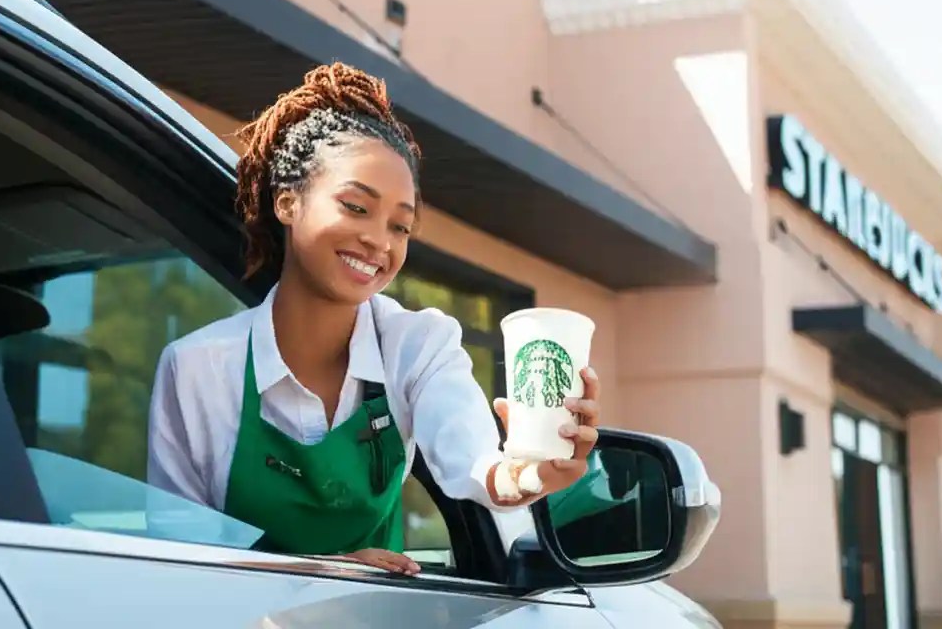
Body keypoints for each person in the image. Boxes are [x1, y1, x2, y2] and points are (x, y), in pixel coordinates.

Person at [147, 63, 602, 575]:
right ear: (287, 201)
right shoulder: (197, 370)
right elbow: (178, 557)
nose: (380, 242)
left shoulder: (418, 345)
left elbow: (474, 460)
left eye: (401, 226)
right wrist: (320, 568)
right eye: (355, 207)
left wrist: (529, 473)